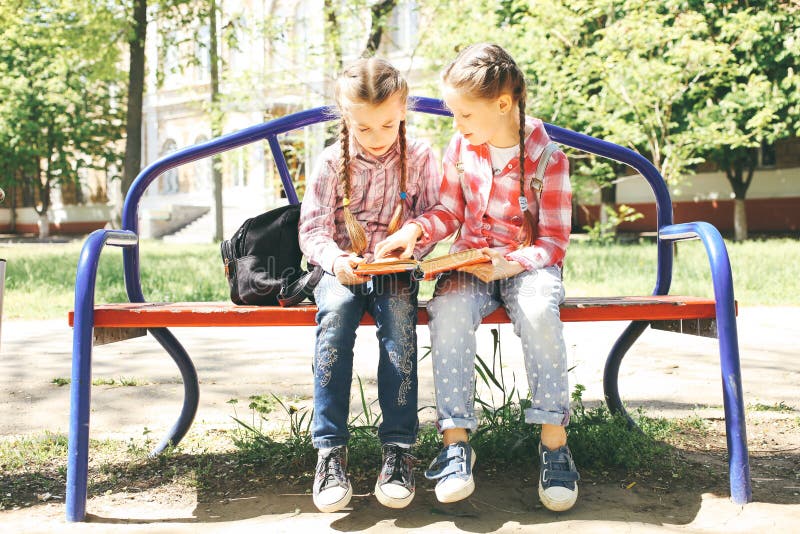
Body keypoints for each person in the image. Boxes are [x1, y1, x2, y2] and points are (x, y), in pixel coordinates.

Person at [374, 43, 579, 512]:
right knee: (446, 309)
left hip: (526, 264)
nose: (458, 123)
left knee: (537, 310)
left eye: (464, 113)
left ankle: (554, 443)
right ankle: (455, 444)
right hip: (470, 263)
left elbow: (554, 243)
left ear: (502, 104)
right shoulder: (462, 147)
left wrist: (512, 264)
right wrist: (415, 230)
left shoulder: (549, 158)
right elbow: (449, 210)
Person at [298, 57, 440, 513]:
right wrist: (338, 260)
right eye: (363, 129)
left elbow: (439, 213)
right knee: (336, 316)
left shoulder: (419, 157)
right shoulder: (330, 161)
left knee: (400, 324)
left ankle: (398, 449)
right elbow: (312, 230)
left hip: (394, 271)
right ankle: (330, 451)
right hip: (341, 269)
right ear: (345, 118)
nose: (377, 138)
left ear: (403, 111)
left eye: (386, 125)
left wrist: (413, 235)